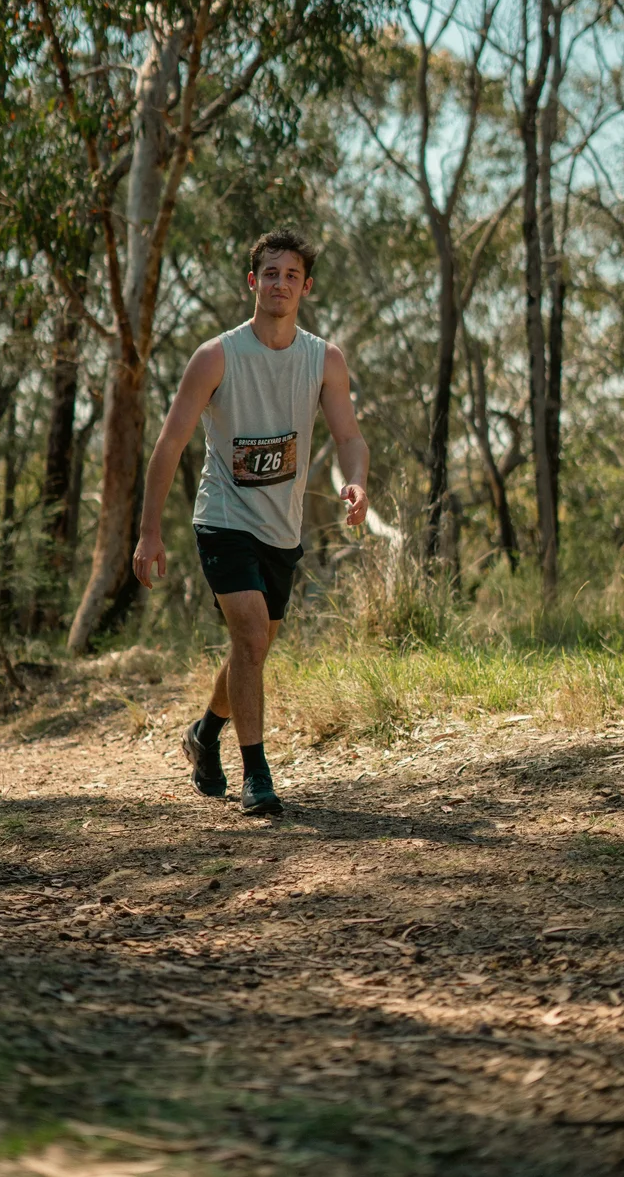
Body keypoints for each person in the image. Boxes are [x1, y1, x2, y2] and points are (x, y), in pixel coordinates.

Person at [133, 228, 369, 816]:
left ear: (306, 287)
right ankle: (257, 776)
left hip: (281, 528)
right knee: (250, 634)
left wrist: (356, 479)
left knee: (254, 649)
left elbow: (349, 434)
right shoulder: (217, 356)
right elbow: (169, 446)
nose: (280, 283)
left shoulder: (324, 359)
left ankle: (205, 733)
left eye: (292, 275)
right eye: (270, 273)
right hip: (224, 518)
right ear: (252, 282)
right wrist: (149, 531)